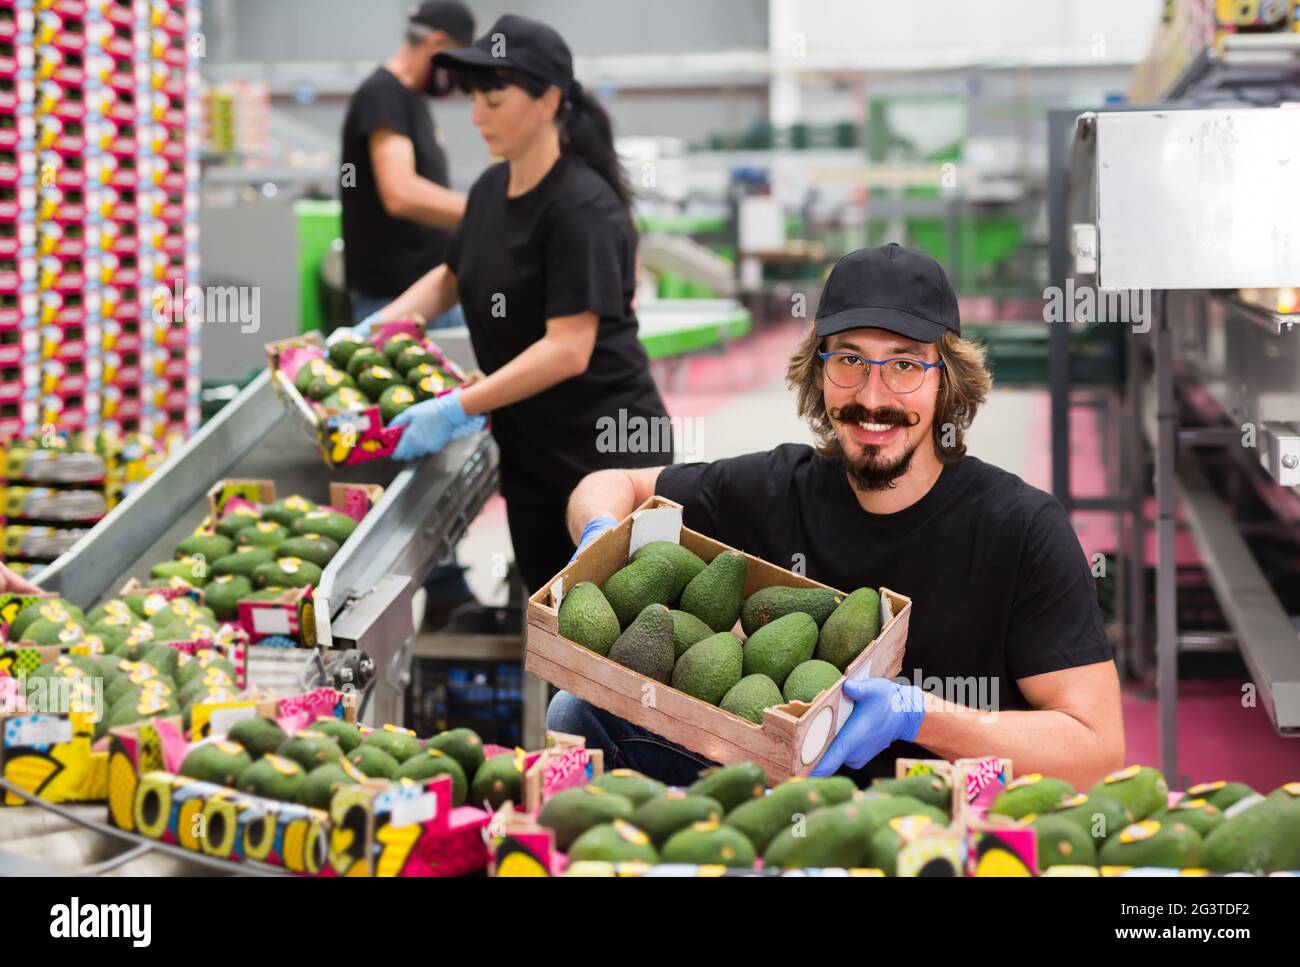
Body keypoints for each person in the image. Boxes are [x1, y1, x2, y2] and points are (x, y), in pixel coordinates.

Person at [552, 243, 1125, 789]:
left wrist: (918, 714)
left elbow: (1096, 751)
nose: (873, 397)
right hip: (776, 815)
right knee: (576, 711)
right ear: (818, 371)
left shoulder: (1021, 530)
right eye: (850, 360)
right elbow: (610, 483)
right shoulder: (771, 490)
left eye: (904, 365)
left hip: (937, 834)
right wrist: (601, 534)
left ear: (947, 380)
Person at [366, 15, 672, 593]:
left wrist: (456, 405)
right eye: (475, 98)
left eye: (496, 99)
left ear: (548, 99)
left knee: (623, 634)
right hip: (531, 454)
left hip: (609, 452)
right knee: (550, 624)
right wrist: (376, 330)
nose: (478, 114)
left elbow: (568, 349)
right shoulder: (489, 190)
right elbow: (451, 277)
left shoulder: (581, 206)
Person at [339, 1, 474, 329]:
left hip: (427, 294)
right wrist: (486, 211)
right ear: (437, 43)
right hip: (400, 301)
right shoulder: (384, 95)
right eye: (456, 59)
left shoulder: (412, 100)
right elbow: (401, 193)